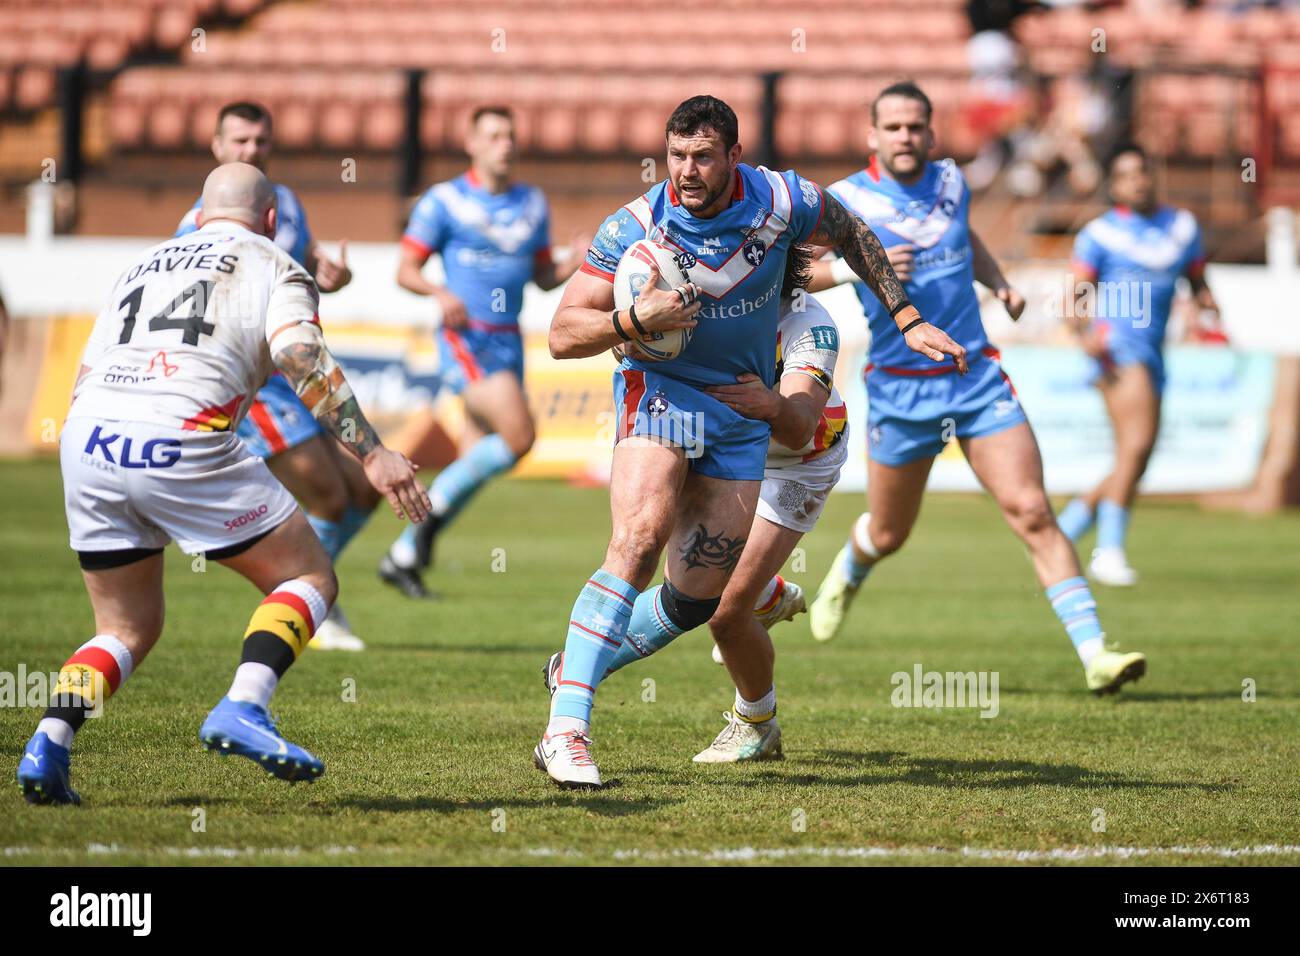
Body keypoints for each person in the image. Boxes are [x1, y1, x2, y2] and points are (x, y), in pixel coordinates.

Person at [533, 94, 965, 789]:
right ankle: (568, 728)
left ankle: (612, 655)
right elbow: (560, 334)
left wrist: (908, 318)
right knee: (639, 538)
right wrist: (633, 317)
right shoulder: (638, 224)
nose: (687, 171)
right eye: (677, 156)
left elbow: (853, 233)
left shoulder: (786, 206)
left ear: (735, 155)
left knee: (699, 599)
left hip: (751, 427)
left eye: (703, 156)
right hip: (666, 392)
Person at [17, 164, 429, 805]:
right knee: (309, 577)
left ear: (199, 212)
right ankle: (244, 704)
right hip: (181, 434)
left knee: (124, 627)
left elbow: (88, 368)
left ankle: (48, 741)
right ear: (271, 218)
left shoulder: (141, 262)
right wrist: (371, 454)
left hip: (87, 439)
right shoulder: (274, 262)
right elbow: (301, 356)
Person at [806, 81, 1147, 695]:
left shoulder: (952, 181)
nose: (906, 136)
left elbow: (968, 241)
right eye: (894, 127)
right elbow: (794, 271)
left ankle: (1097, 654)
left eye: (916, 126)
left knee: (1033, 511)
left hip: (975, 375)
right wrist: (857, 263)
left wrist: (1000, 283)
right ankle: (851, 568)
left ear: (931, 133)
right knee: (889, 533)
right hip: (900, 388)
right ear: (872, 136)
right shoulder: (844, 201)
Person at [541, 245, 848, 764]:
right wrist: (635, 330)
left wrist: (771, 404)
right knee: (675, 567)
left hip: (797, 458)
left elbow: (798, 428)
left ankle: (756, 722)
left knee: (723, 614)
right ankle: (765, 590)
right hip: (721, 438)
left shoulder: (809, 325)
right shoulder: (696, 300)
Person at [175, 101, 371, 651]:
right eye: (239, 141)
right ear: (216, 147)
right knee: (332, 495)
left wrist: (330, 275)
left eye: (260, 141)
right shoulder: (198, 221)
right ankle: (311, 601)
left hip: (298, 369)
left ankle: (304, 589)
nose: (251, 151)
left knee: (363, 488)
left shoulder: (285, 204)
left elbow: (299, 267)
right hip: (257, 380)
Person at [378, 106, 591, 598]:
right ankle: (420, 534)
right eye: (493, 135)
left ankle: (403, 554)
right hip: (466, 337)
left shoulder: (532, 203)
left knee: (475, 459)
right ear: (471, 144)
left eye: (510, 135)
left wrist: (569, 263)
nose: (505, 144)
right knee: (519, 437)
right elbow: (405, 269)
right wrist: (439, 294)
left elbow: (540, 276)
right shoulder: (444, 201)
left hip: (508, 337)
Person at [1056, 143, 1220, 586]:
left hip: (1154, 351)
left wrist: (1210, 313)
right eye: (1127, 175)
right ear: (1114, 183)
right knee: (1136, 448)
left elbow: (1199, 281)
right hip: (1118, 349)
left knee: (1135, 454)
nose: (1137, 181)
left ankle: (1062, 533)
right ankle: (1107, 551)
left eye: (1143, 172)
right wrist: (1082, 332)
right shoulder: (1100, 233)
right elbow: (1075, 297)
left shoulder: (1182, 226)